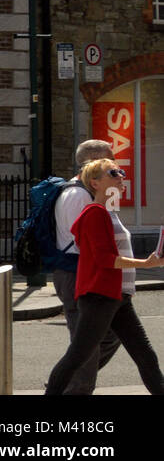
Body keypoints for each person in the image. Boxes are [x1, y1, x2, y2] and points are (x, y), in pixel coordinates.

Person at [45, 158, 164, 395]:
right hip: (100, 296)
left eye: (121, 171)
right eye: (113, 173)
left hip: (117, 295)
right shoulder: (95, 213)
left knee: (144, 354)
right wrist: (147, 264)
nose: (120, 176)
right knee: (78, 356)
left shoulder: (107, 213)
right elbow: (105, 259)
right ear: (95, 183)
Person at [51, 139, 121, 393]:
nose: (115, 167)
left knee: (110, 336)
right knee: (87, 347)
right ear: (92, 163)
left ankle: (64, 379)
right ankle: (72, 388)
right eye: (110, 163)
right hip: (74, 275)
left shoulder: (88, 194)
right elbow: (85, 244)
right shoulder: (77, 195)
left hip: (86, 275)